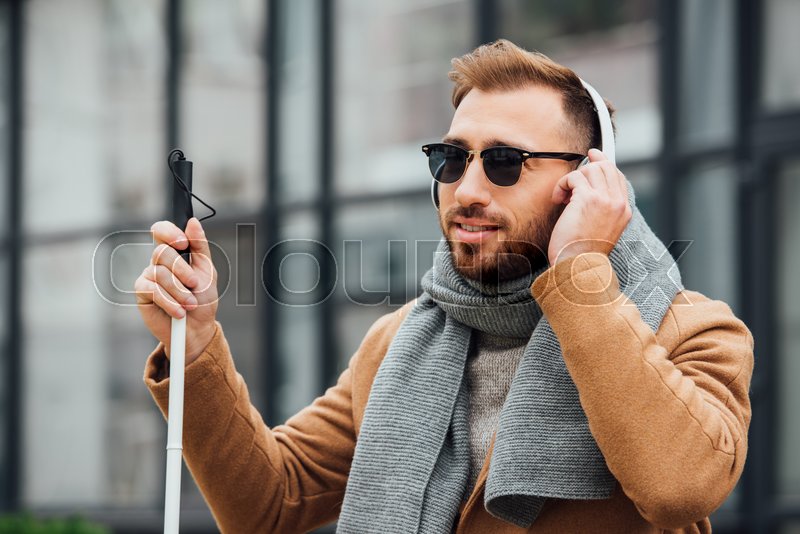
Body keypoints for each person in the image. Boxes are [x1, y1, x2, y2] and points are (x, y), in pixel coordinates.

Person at [135, 40, 753, 534]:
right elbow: (268, 505)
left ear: (591, 182)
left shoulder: (691, 331)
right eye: (452, 160)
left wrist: (581, 266)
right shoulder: (398, 341)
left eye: (505, 161)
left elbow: (679, 490)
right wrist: (197, 347)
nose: (469, 190)